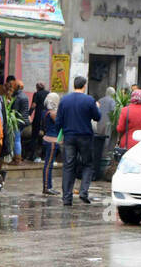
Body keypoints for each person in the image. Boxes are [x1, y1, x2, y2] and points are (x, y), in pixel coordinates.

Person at [57, 76, 101, 205]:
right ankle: (83, 192)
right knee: (87, 164)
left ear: (74, 85)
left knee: (68, 166)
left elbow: (59, 120)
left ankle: (66, 197)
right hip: (85, 137)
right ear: (84, 86)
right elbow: (97, 117)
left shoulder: (64, 100)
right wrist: (96, 107)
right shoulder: (89, 100)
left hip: (69, 136)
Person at [41, 91, 61, 196]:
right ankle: (47, 187)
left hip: (49, 139)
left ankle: (48, 186)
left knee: (48, 164)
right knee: (48, 165)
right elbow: (59, 124)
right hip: (52, 140)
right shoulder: (53, 113)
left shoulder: (46, 112)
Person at [95, 85, 118, 170]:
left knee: (100, 140)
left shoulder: (100, 100)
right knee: (107, 141)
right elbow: (113, 111)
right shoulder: (112, 101)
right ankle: (105, 157)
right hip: (109, 123)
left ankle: (99, 156)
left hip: (100, 122)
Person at [10, 81, 33, 165]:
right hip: (24, 120)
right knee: (18, 139)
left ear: (17, 87)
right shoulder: (24, 95)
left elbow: (15, 110)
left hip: (18, 121)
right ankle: (17, 158)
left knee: (16, 140)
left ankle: (17, 159)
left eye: (13, 86)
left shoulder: (18, 97)